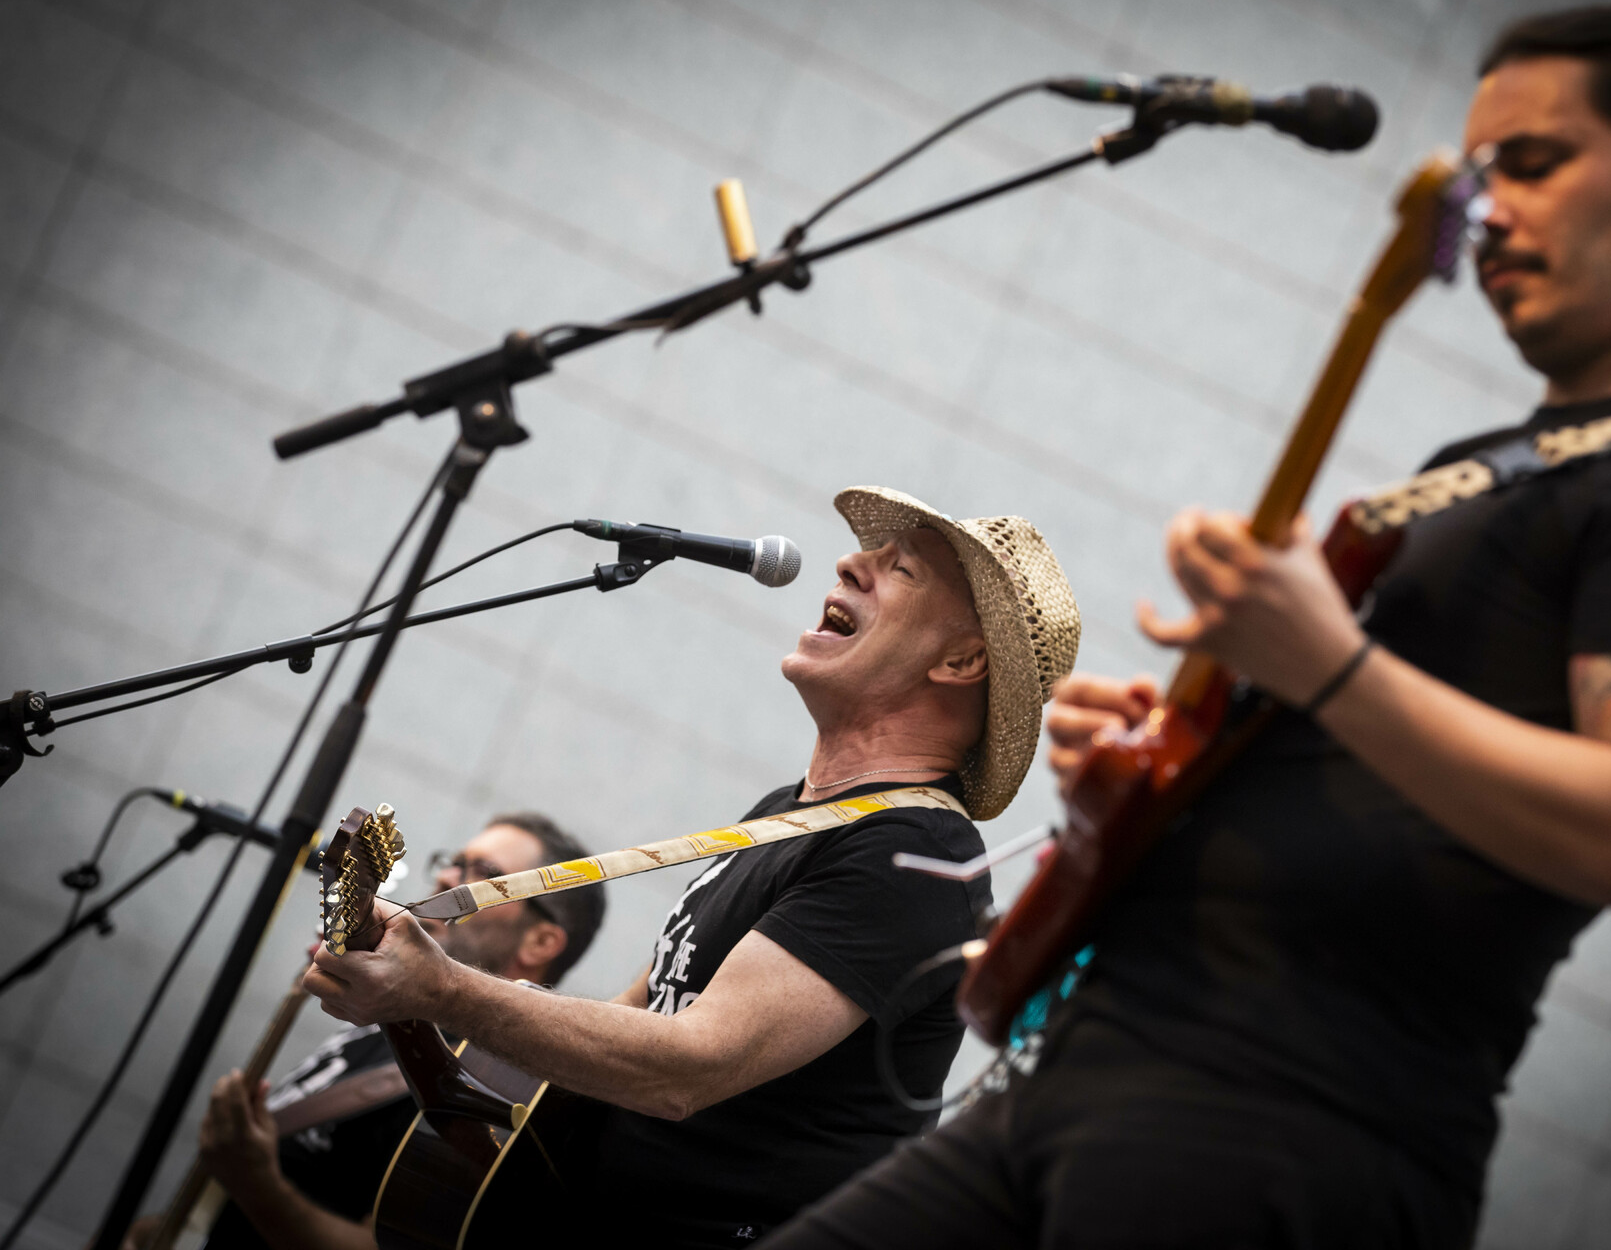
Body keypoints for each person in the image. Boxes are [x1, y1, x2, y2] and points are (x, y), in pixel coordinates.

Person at [764, 5, 1611, 1250]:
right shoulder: (1483, 465)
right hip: (1102, 1059)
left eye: (1534, 165)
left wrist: (1328, 662)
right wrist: (1176, 743)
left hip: (1293, 1113)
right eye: (1478, 181)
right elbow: (1356, 735)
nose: (1488, 214)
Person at [300, 487, 1081, 1246]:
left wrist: (443, 989)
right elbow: (639, 1021)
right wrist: (419, 988)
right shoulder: (790, 811)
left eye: (901, 569)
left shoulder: (914, 856)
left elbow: (689, 1068)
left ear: (961, 660)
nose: (848, 565)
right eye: (867, 554)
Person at [126, 813, 605, 1250]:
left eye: (482, 872)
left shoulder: (486, 1085)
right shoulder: (393, 1021)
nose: (444, 877)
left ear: (541, 941)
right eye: (452, 862)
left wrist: (260, 1188)